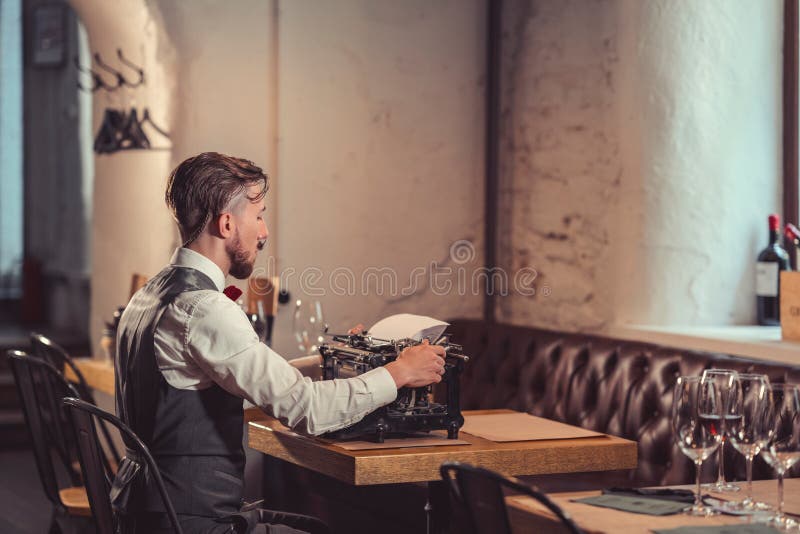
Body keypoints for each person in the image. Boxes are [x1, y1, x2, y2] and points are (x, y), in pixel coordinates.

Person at [114, 152, 446, 533]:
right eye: (258, 216)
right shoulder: (204, 309)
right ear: (226, 224)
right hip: (192, 523)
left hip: (147, 513)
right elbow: (308, 411)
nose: (264, 231)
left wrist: (341, 362)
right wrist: (399, 373)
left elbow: (247, 372)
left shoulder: (152, 294)